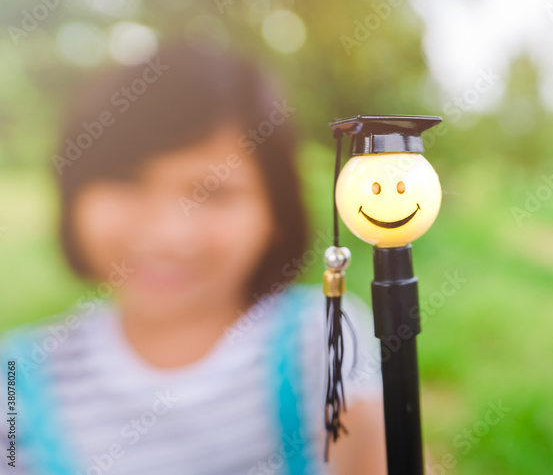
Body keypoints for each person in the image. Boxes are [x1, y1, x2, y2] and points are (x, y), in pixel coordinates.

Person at [1, 43, 387, 474]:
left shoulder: (322, 337)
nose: (167, 235)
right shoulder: (15, 378)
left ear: (277, 212)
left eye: (213, 192)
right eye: (127, 181)